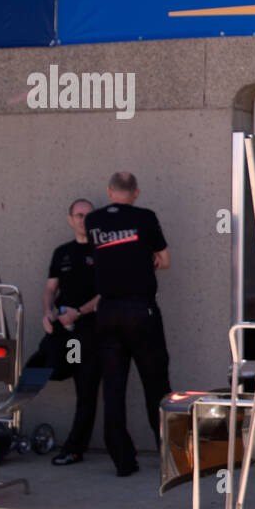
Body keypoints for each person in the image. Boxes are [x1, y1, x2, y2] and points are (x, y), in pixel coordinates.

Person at [83, 172, 172, 477]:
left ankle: (122, 460)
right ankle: (169, 454)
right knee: (156, 384)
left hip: (106, 310)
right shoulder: (145, 216)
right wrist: (148, 258)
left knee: (114, 387)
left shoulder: (92, 221)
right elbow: (165, 259)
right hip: (139, 309)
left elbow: (106, 255)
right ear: (136, 192)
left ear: (109, 192)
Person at [46, 199, 102, 466]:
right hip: (66, 332)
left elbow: (107, 294)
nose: (83, 220)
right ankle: (6, 423)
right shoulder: (62, 253)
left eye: (88, 216)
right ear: (70, 219)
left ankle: (74, 447)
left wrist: (79, 312)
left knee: (86, 386)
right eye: (79, 216)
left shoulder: (103, 251)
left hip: (91, 331)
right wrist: (48, 311)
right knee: (47, 367)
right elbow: (50, 289)